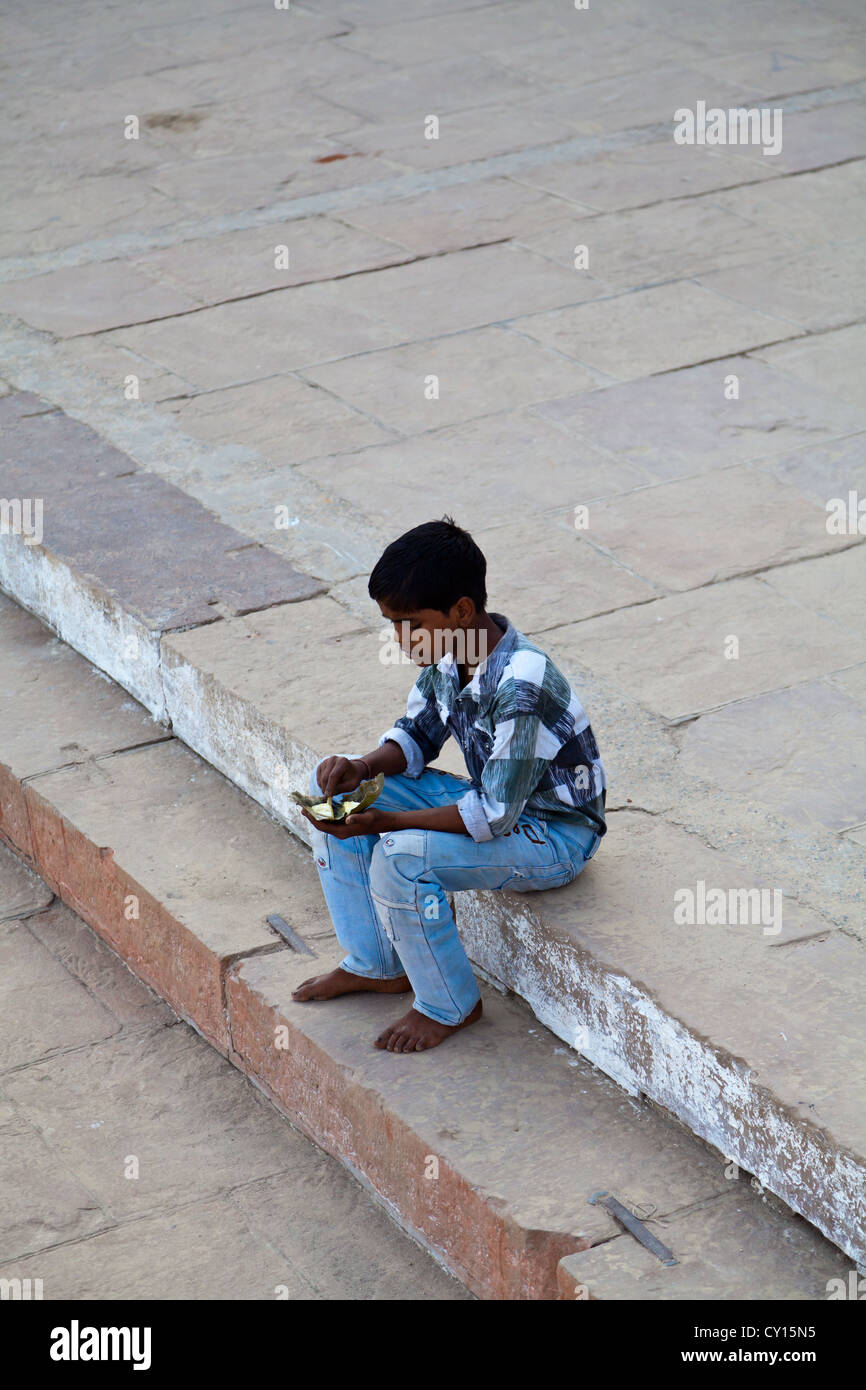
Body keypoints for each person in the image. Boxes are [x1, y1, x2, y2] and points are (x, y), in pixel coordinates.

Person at [293, 517, 607, 1053]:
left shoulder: (521, 684)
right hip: (497, 804)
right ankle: (377, 965)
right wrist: (361, 768)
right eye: (392, 623)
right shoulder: (451, 656)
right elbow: (417, 736)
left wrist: (388, 821)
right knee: (333, 800)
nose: (400, 638)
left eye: (410, 622)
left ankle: (449, 1004)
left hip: (553, 836)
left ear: (461, 611)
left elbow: (495, 816)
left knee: (399, 856)